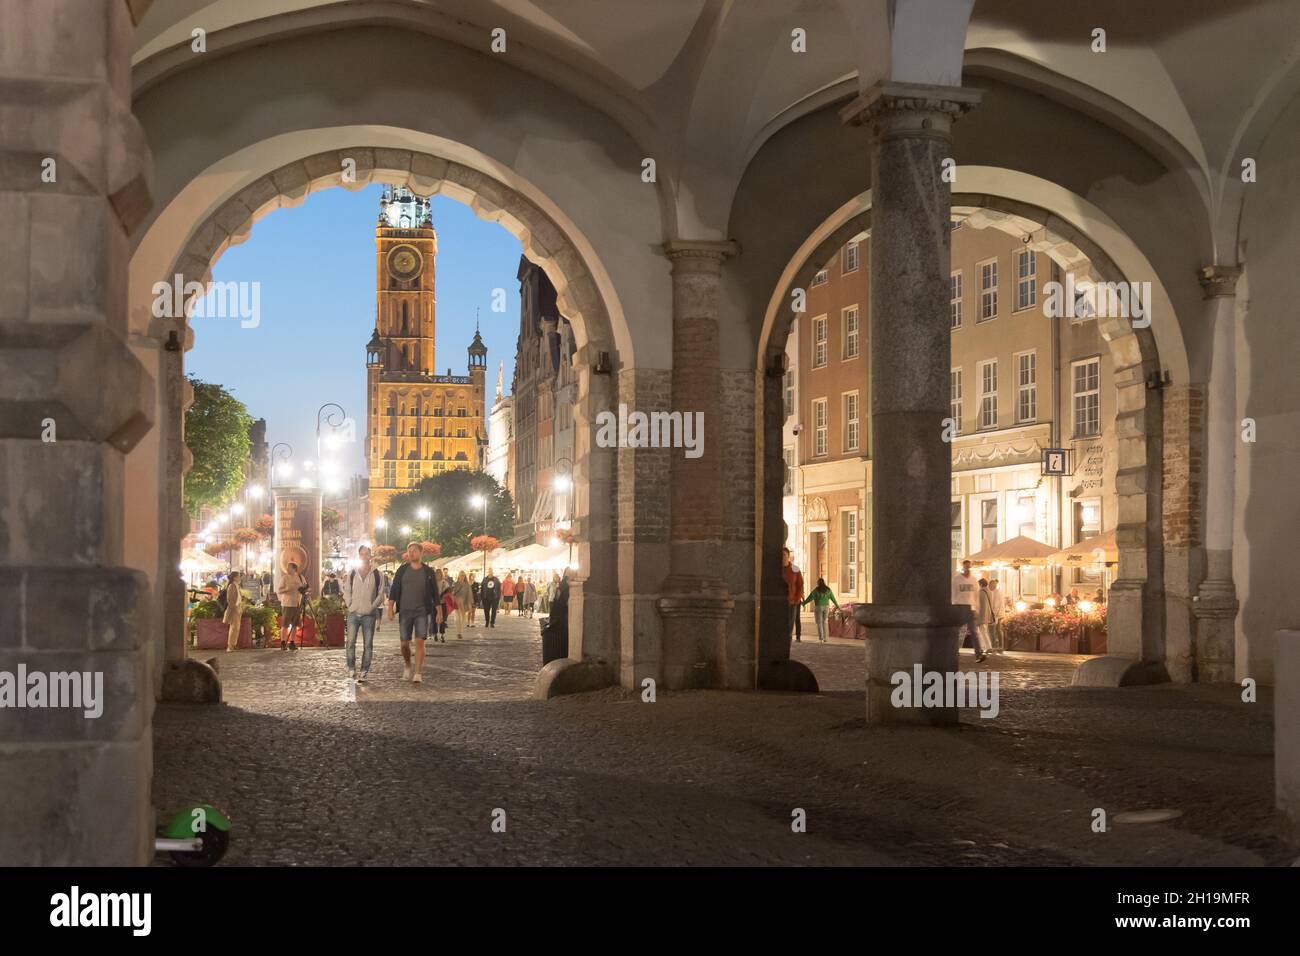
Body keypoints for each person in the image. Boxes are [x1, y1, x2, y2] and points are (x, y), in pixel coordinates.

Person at [387, 542, 436, 682]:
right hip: (405, 611)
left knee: (420, 641)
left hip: (422, 611)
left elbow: (434, 593)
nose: (412, 553)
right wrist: (391, 607)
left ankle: (418, 673)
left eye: (415, 551)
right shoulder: (402, 570)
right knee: (404, 644)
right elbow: (394, 589)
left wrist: (438, 610)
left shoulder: (427, 571)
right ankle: (408, 664)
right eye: (410, 551)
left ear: (421, 553)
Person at [342, 545, 385, 680]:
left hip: (369, 615)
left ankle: (364, 670)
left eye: (366, 554)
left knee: (368, 644)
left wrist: (372, 607)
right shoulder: (352, 573)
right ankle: (350, 667)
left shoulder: (378, 574)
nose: (364, 556)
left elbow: (380, 594)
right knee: (350, 642)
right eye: (361, 554)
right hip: (353, 613)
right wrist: (349, 604)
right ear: (359, 555)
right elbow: (347, 590)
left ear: (370, 556)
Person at [951, 559, 986, 662]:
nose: (967, 568)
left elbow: (976, 595)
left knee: (974, 632)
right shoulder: (956, 579)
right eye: (966, 567)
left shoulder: (974, 579)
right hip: (960, 607)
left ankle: (978, 653)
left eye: (969, 567)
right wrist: (954, 606)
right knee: (957, 631)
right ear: (963, 567)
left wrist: (977, 608)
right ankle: (953, 652)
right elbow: (953, 594)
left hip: (971, 608)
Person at [277, 561, 307, 650]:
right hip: (287, 603)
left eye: (289, 567)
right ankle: (283, 642)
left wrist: (305, 589)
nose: (287, 569)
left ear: (294, 569)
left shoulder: (300, 577)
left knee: (295, 624)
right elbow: (279, 590)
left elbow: (305, 587)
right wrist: (287, 589)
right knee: (285, 624)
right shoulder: (285, 578)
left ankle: (292, 642)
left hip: (297, 603)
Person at [799, 577, 840, 643]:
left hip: (818, 607)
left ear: (818, 583)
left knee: (819, 623)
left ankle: (821, 638)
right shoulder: (828, 590)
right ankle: (825, 638)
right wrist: (838, 607)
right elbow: (833, 599)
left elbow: (810, 598)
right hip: (826, 607)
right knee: (824, 622)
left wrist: (803, 603)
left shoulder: (816, 590)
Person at [782, 548, 805, 643]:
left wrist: (797, 599)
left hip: (793, 601)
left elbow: (800, 585)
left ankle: (791, 638)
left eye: (784, 555)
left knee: (792, 621)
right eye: (781, 555)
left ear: (788, 557)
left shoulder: (795, 569)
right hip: (781, 601)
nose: (782, 557)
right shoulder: (777, 570)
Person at [223, 571, 244, 652]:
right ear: (235, 577)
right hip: (234, 608)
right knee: (234, 627)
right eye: (238, 576)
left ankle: (233, 644)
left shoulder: (236, 586)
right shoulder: (232, 586)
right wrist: (234, 607)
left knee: (236, 627)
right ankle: (230, 646)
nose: (240, 578)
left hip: (238, 607)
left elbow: (238, 597)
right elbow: (230, 599)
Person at [974, 578, 995, 663]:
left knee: (982, 632)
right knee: (983, 631)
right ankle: (985, 646)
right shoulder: (989, 591)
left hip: (981, 615)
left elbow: (978, 605)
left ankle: (987, 647)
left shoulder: (981, 592)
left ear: (981, 584)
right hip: (986, 615)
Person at [987, 578, 1005, 651]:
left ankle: (996, 646)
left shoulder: (997, 593)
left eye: (992, 585)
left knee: (994, 630)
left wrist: (994, 615)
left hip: (997, 614)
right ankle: (999, 646)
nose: (990, 586)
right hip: (997, 614)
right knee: (997, 630)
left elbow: (996, 605)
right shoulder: (993, 592)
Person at [453, 571, 473, 637]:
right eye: (461, 575)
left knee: (463, 618)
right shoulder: (455, 584)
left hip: (464, 603)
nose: (462, 577)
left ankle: (460, 631)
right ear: (458, 576)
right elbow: (452, 593)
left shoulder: (467, 585)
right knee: (458, 618)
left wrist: (469, 604)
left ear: (465, 576)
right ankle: (459, 632)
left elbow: (469, 595)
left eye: (463, 575)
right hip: (457, 602)